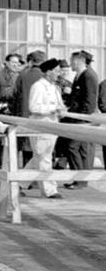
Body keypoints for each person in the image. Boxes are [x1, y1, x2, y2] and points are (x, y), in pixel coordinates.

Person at [24, 59, 64, 199]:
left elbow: (59, 105)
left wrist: (61, 110)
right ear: (48, 72)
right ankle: (50, 190)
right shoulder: (38, 86)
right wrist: (53, 109)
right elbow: (33, 107)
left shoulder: (54, 87)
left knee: (39, 157)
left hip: (51, 126)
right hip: (40, 126)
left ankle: (18, 183)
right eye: (57, 70)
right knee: (44, 158)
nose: (59, 73)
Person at [61, 51, 99, 187]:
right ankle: (80, 180)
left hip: (82, 119)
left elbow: (89, 100)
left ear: (78, 61)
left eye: (71, 61)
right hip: (77, 117)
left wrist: (82, 118)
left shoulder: (88, 76)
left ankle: (79, 179)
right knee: (80, 149)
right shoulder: (80, 75)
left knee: (73, 147)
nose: (70, 64)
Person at [8, 49, 46, 169]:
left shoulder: (22, 76)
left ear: (30, 61)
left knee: (26, 148)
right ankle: (39, 178)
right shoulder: (46, 76)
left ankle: (26, 177)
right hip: (42, 117)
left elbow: (14, 97)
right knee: (42, 150)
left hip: (24, 116)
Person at [0, 53, 23, 172]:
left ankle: (13, 165)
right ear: (6, 63)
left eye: (17, 63)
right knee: (1, 142)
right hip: (2, 113)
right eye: (13, 63)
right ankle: (0, 164)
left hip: (15, 112)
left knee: (15, 142)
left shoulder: (20, 76)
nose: (15, 65)